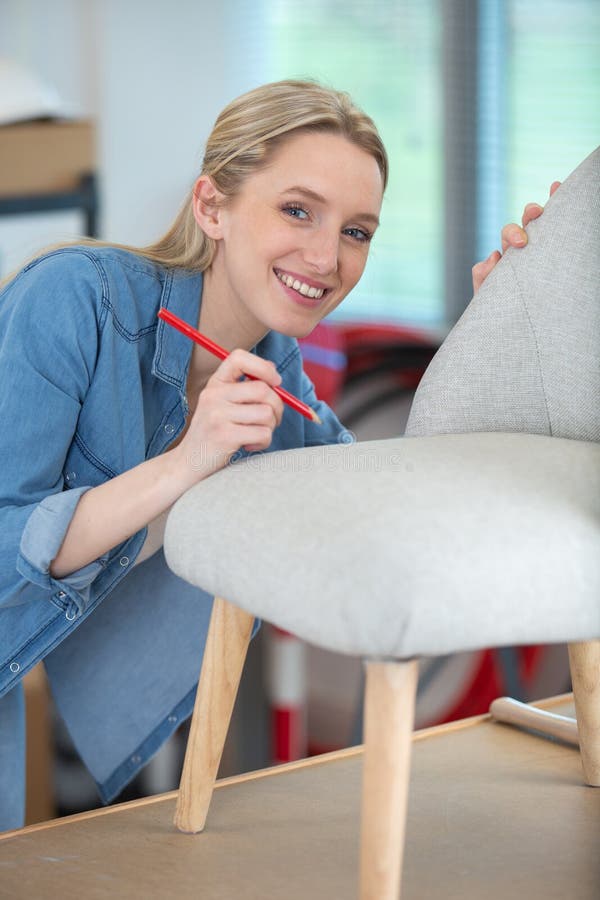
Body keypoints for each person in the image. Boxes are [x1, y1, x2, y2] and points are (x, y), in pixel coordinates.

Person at [0, 79, 543, 830]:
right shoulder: (72, 298)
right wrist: (187, 461)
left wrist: (501, 338)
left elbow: (387, 508)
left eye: (357, 232)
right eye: (297, 210)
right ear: (211, 206)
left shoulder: (273, 363)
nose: (326, 258)